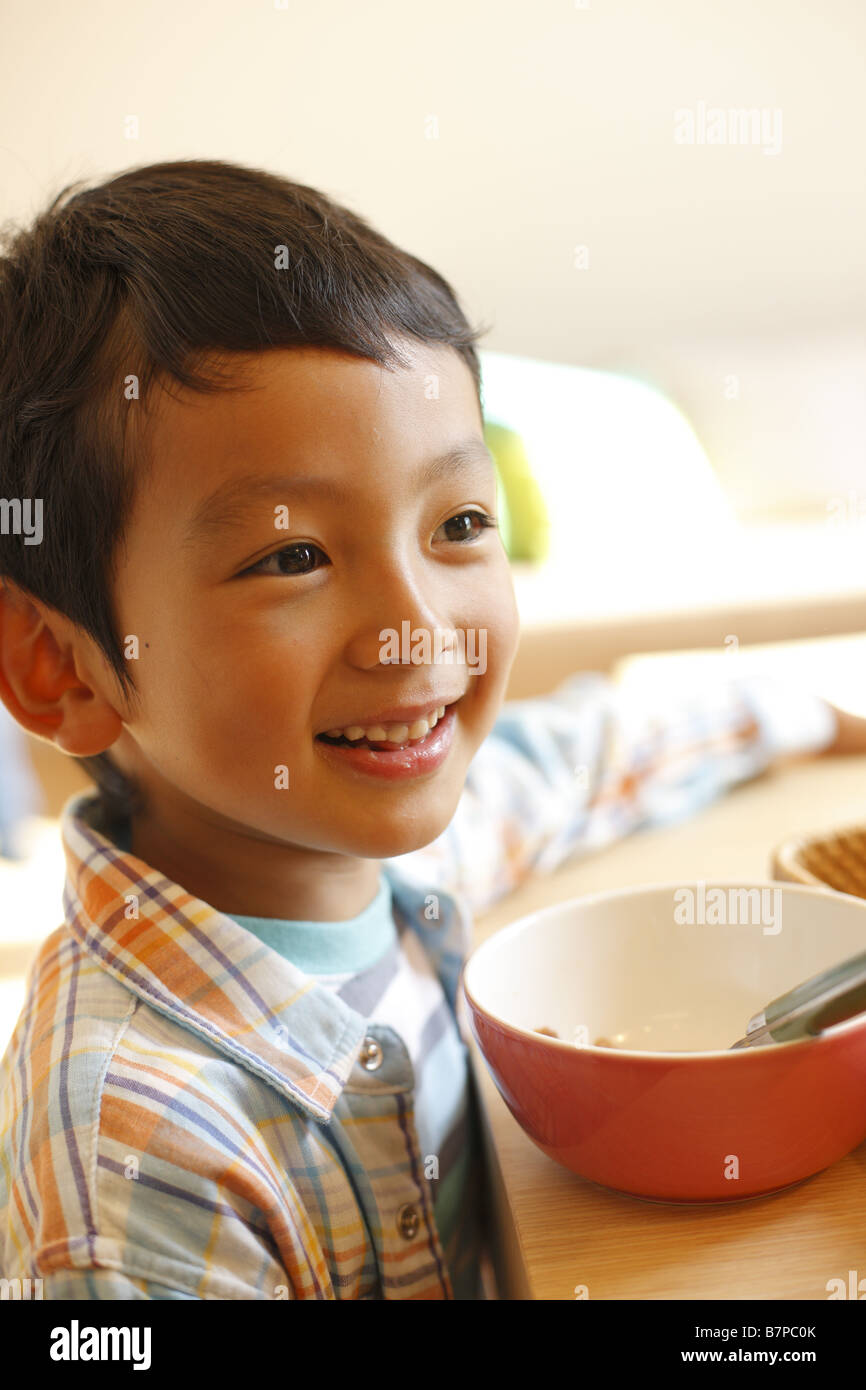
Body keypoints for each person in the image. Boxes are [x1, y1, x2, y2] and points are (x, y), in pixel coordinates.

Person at [0, 159, 862, 1300]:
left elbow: (581, 758)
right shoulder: (132, 1172)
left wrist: (817, 706)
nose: (414, 632)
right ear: (60, 664)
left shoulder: (390, 858)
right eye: (293, 555)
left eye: (456, 522)